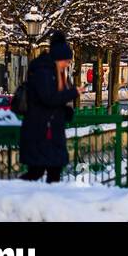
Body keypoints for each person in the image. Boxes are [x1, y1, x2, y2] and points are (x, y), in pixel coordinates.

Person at [19, 31, 79, 183]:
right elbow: (49, 98)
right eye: (66, 60)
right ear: (58, 59)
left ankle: (45, 202)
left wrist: (65, 111)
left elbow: (52, 100)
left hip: (47, 130)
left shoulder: (53, 72)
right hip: (42, 131)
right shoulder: (44, 72)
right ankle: (12, 193)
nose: (68, 64)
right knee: (39, 172)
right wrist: (73, 93)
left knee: (48, 171)